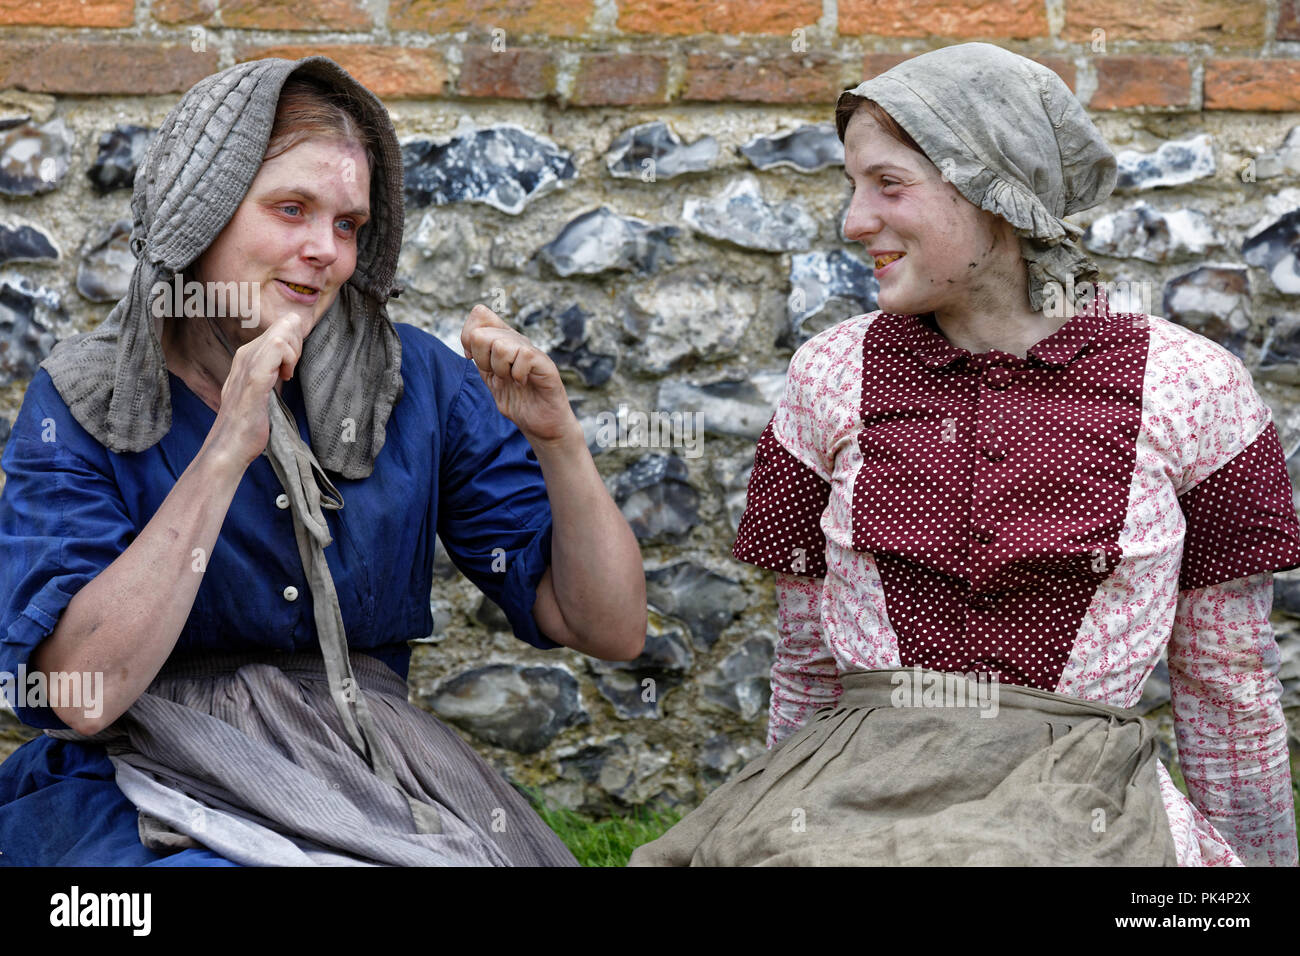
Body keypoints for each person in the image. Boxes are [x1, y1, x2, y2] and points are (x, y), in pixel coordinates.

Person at [630, 42, 1300, 867]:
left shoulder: (1195, 388)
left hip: (1082, 805)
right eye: (852, 186)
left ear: (995, 192)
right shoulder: (829, 374)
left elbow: (1226, 685)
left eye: (888, 184)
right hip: (857, 793)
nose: (854, 221)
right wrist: (775, 816)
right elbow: (806, 662)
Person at [0, 56, 646, 866]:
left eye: (347, 224)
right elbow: (78, 696)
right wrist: (227, 449)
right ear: (199, 212)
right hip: (147, 774)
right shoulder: (88, 397)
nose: (325, 252)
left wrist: (562, 445)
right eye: (292, 209)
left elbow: (607, 628)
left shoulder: (413, 383)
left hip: (364, 762)